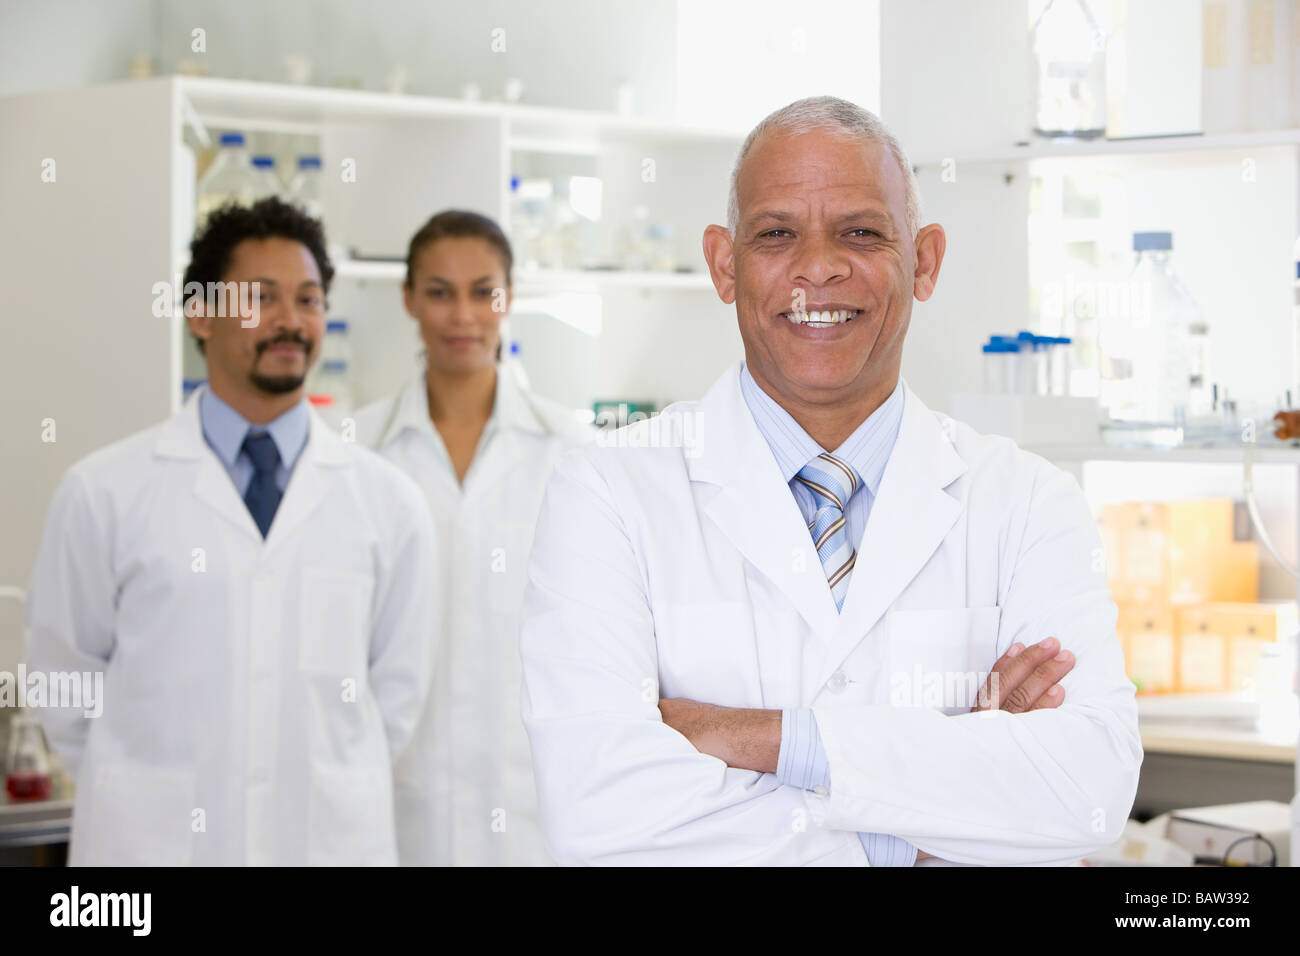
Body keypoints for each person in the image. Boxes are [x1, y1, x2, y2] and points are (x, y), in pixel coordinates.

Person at [519, 97, 1142, 866]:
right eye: (777, 234)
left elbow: (1088, 791)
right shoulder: (607, 494)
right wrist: (930, 828)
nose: (818, 267)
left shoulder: (1027, 503)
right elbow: (602, 815)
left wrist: (766, 738)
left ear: (925, 261)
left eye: (861, 232)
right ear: (724, 263)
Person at [26, 198, 438, 866]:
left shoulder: (388, 503)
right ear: (199, 312)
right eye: (262, 298)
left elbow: (397, 697)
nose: (290, 321)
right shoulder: (104, 491)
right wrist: (143, 785)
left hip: (325, 841)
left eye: (308, 299)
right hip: (151, 848)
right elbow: (64, 687)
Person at [353, 210, 591, 866]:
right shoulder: (355, 455)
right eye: (439, 291)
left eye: (483, 291)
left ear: (508, 298)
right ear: (408, 301)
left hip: (531, 804)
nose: (463, 315)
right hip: (398, 800)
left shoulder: (572, 450)